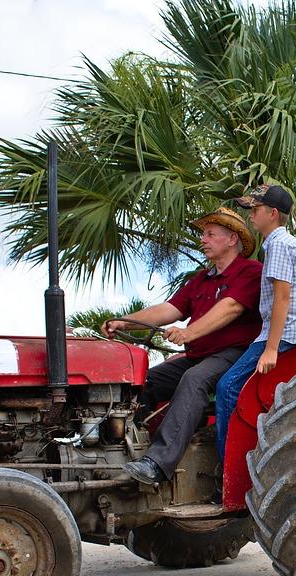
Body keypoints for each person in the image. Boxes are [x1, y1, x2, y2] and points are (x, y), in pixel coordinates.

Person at [103, 208, 262, 486]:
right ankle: (124, 447)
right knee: (146, 381)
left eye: (210, 234)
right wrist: (124, 322)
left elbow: (230, 308)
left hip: (234, 354)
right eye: (203, 234)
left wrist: (189, 332)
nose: (203, 239)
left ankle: (157, 464)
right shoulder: (201, 279)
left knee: (194, 380)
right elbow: (169, 309)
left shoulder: (250, 272)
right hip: (198, 355)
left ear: (232, 239)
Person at [214, 184, 296, 457]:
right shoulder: (280, 244)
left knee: (227, 387)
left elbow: (283, 297)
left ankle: (227, 473)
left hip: (284, 335)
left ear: (272, 213)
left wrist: (271, 348)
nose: (250, 215)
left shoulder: (280, 245)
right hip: (285, 332)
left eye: (255, 209)